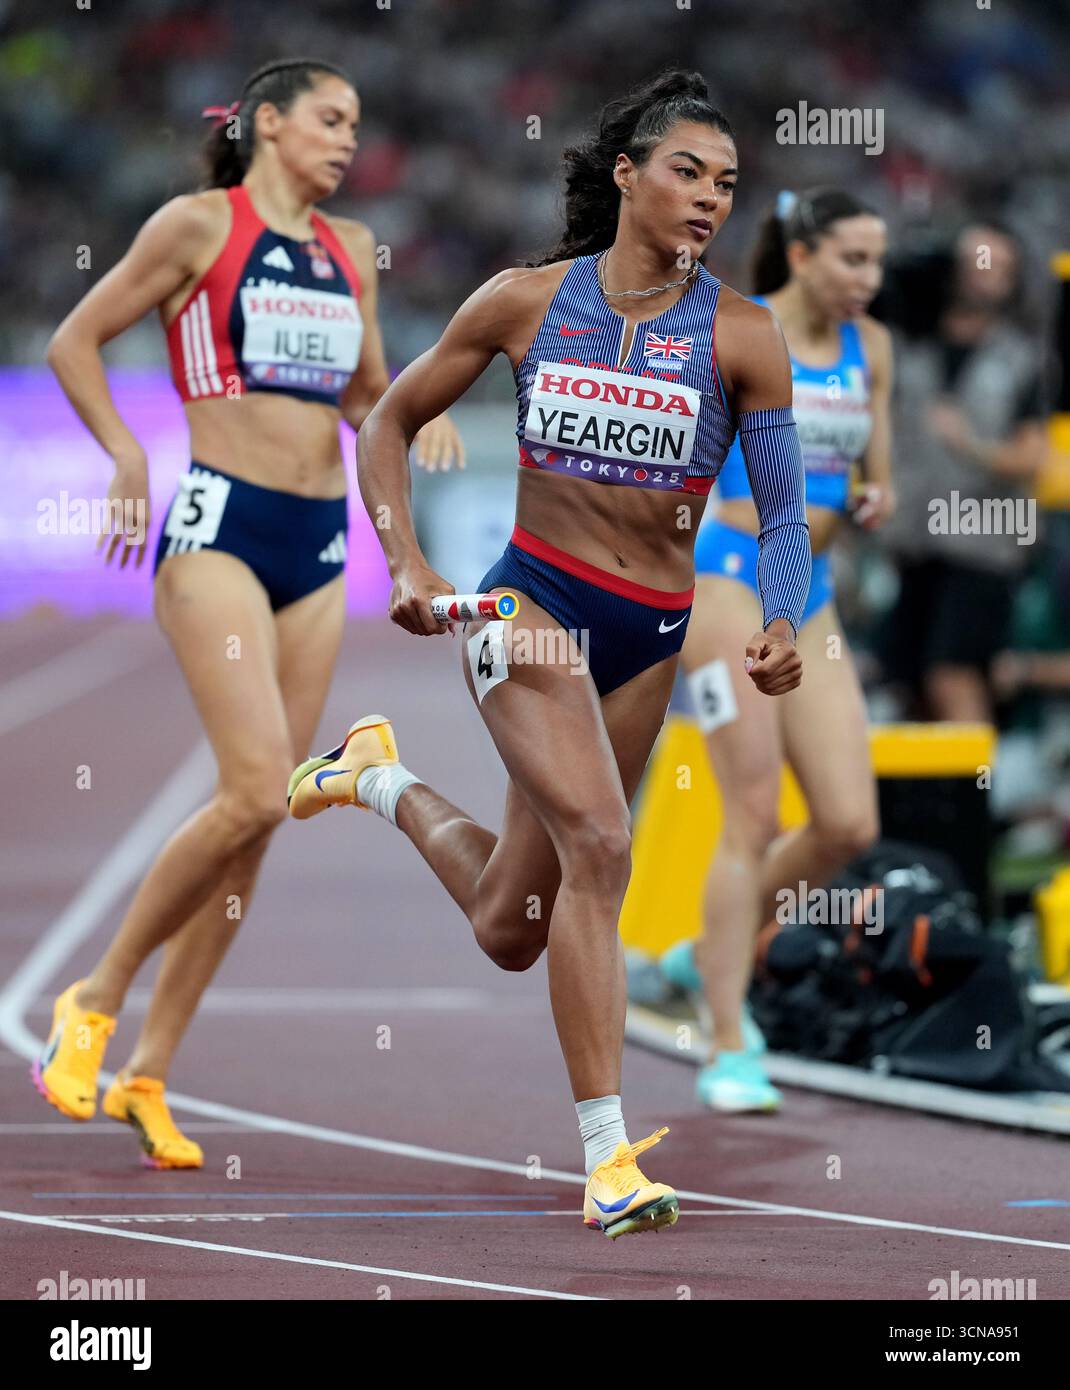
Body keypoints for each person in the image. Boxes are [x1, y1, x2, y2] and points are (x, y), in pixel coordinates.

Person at [288, 69, 811, 1237]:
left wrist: (782, 616)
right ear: (625, 175)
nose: (708, 198)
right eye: (685, 170)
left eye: (726, 183)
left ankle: (373, 775)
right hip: (529, 603)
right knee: (600, 842)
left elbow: (781, 519)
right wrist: (407, 565)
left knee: (509, 926)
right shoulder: (523, 302)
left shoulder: (742, 334)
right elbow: (386, 422)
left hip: (651, 634)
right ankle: (606, 1155)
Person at [34, 57, 462, 1168]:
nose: (346, 140)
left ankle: (149, 1071)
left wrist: (415, 413)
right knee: (249, 782)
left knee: (262, 813)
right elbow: (73, 341)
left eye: (357, 125)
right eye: (328, 119)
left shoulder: (349, 254)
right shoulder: (193, 226)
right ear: (267, 123)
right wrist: (126, 453)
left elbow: (366, 393)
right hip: (218, 528)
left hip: (317, 547)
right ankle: (92, 996)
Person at [665, 188, 894, 1113]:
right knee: (752, 814)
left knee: (848, 825)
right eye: (851, 260)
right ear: (801, 256)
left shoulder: (871, 348)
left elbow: (878, 479)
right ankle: (727, 1040)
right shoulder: (740, 332)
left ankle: (698, 955)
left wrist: (872, 501)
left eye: (877, 263)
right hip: (724, 575)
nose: (867, 282)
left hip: (811, 594)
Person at [878, 222, 1048, 721]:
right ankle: (929, 797)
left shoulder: (1022, 359)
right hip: (913, 539)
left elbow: (1031, 458)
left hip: (983, 545)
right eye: (977, 261)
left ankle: (975, 794)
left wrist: (969, 444)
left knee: (954, 673)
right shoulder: (908, 344)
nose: (985, 277)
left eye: (1000, 267)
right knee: (906, 682)